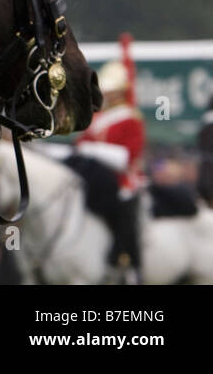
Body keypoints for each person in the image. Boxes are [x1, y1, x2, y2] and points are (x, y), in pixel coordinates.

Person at [76, 59, 147, 283]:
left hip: (122, 179)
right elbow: (80, 146)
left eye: (111, 92)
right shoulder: (96, 119)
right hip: (94, 179)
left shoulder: (131, 119)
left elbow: (128, 156)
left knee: (125, 207)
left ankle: (128, 261)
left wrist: (93, 149)